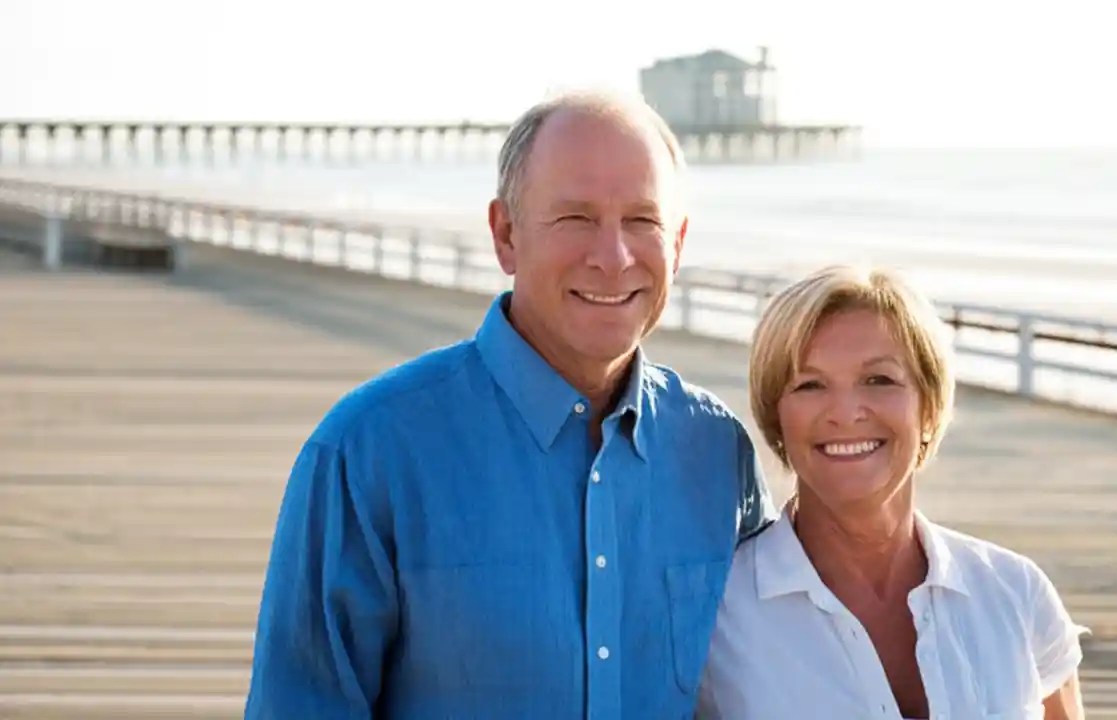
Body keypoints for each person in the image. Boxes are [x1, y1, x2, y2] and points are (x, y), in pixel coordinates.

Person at [243, 91, 774, 719]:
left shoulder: (717, 451)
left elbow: (776, 674)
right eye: (575, 218)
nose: (613, 256)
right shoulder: (370, 451)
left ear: (678, 244)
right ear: (505, 235)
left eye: (643, 221)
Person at [697, 265, 1087, 720]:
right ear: (776, 419)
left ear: (928, 406)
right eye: (810, 385)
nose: (845, 413)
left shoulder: (1016, 593)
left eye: (879, 380)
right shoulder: (714, 613)